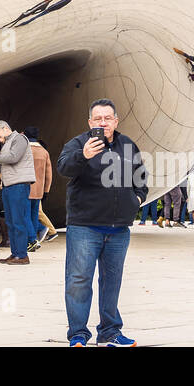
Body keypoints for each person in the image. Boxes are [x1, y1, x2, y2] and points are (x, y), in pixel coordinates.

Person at [57, 98, 146, 347]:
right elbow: (63, 167)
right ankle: (78, 334)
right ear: (90, 122)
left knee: (112, 282)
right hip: (84, 226)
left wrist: (136, 199)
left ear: (116, 121)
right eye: (98, 119)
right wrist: (83, 155)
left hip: (119, 229)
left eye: (108, 118)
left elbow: (141, 177)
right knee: (78, 281)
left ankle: (110, 332)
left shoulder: (127, 144)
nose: (103, 123)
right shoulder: (78, 144)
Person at [0, 120, 37, 264]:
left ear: (6, 128)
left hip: (18, 185)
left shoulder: (19, 139)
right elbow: (2, 166)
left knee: (18, 220)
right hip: (8, 185)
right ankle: (15, 253)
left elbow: (13, 158)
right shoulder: (7, 143)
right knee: (11, 221)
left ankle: (22, 255)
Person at [25, 126, 53, 251]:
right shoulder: (44, 152)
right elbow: (49, 174)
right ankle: (30, 240)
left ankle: (32, 239)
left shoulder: (25, 150)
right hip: (39, 190)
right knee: (33, 215)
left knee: (24, 216)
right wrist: (46, 190)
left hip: (25, 188)